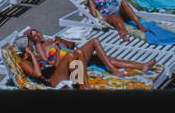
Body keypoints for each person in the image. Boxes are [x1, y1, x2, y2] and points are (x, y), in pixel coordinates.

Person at [17, 29, 150, 87]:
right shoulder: (38, 51)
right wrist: (34, 54)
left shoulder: (50, 41)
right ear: (31, 43)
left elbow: (69, 46)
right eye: (34, 36)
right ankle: (112, 70)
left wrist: (61, 43)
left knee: (106, 56)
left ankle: (140, 66)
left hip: (72, 57)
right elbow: (45, 68)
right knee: (97, 49)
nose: (38, 36)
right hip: (64, 67)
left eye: (37, 32)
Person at [84, 0, 149, 42]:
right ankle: (123, 33)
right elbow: (94, 13)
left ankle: (139, 25)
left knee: (124, 2)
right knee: (116, 18)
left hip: (119, 12)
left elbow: (118, 2)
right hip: (109, 15)